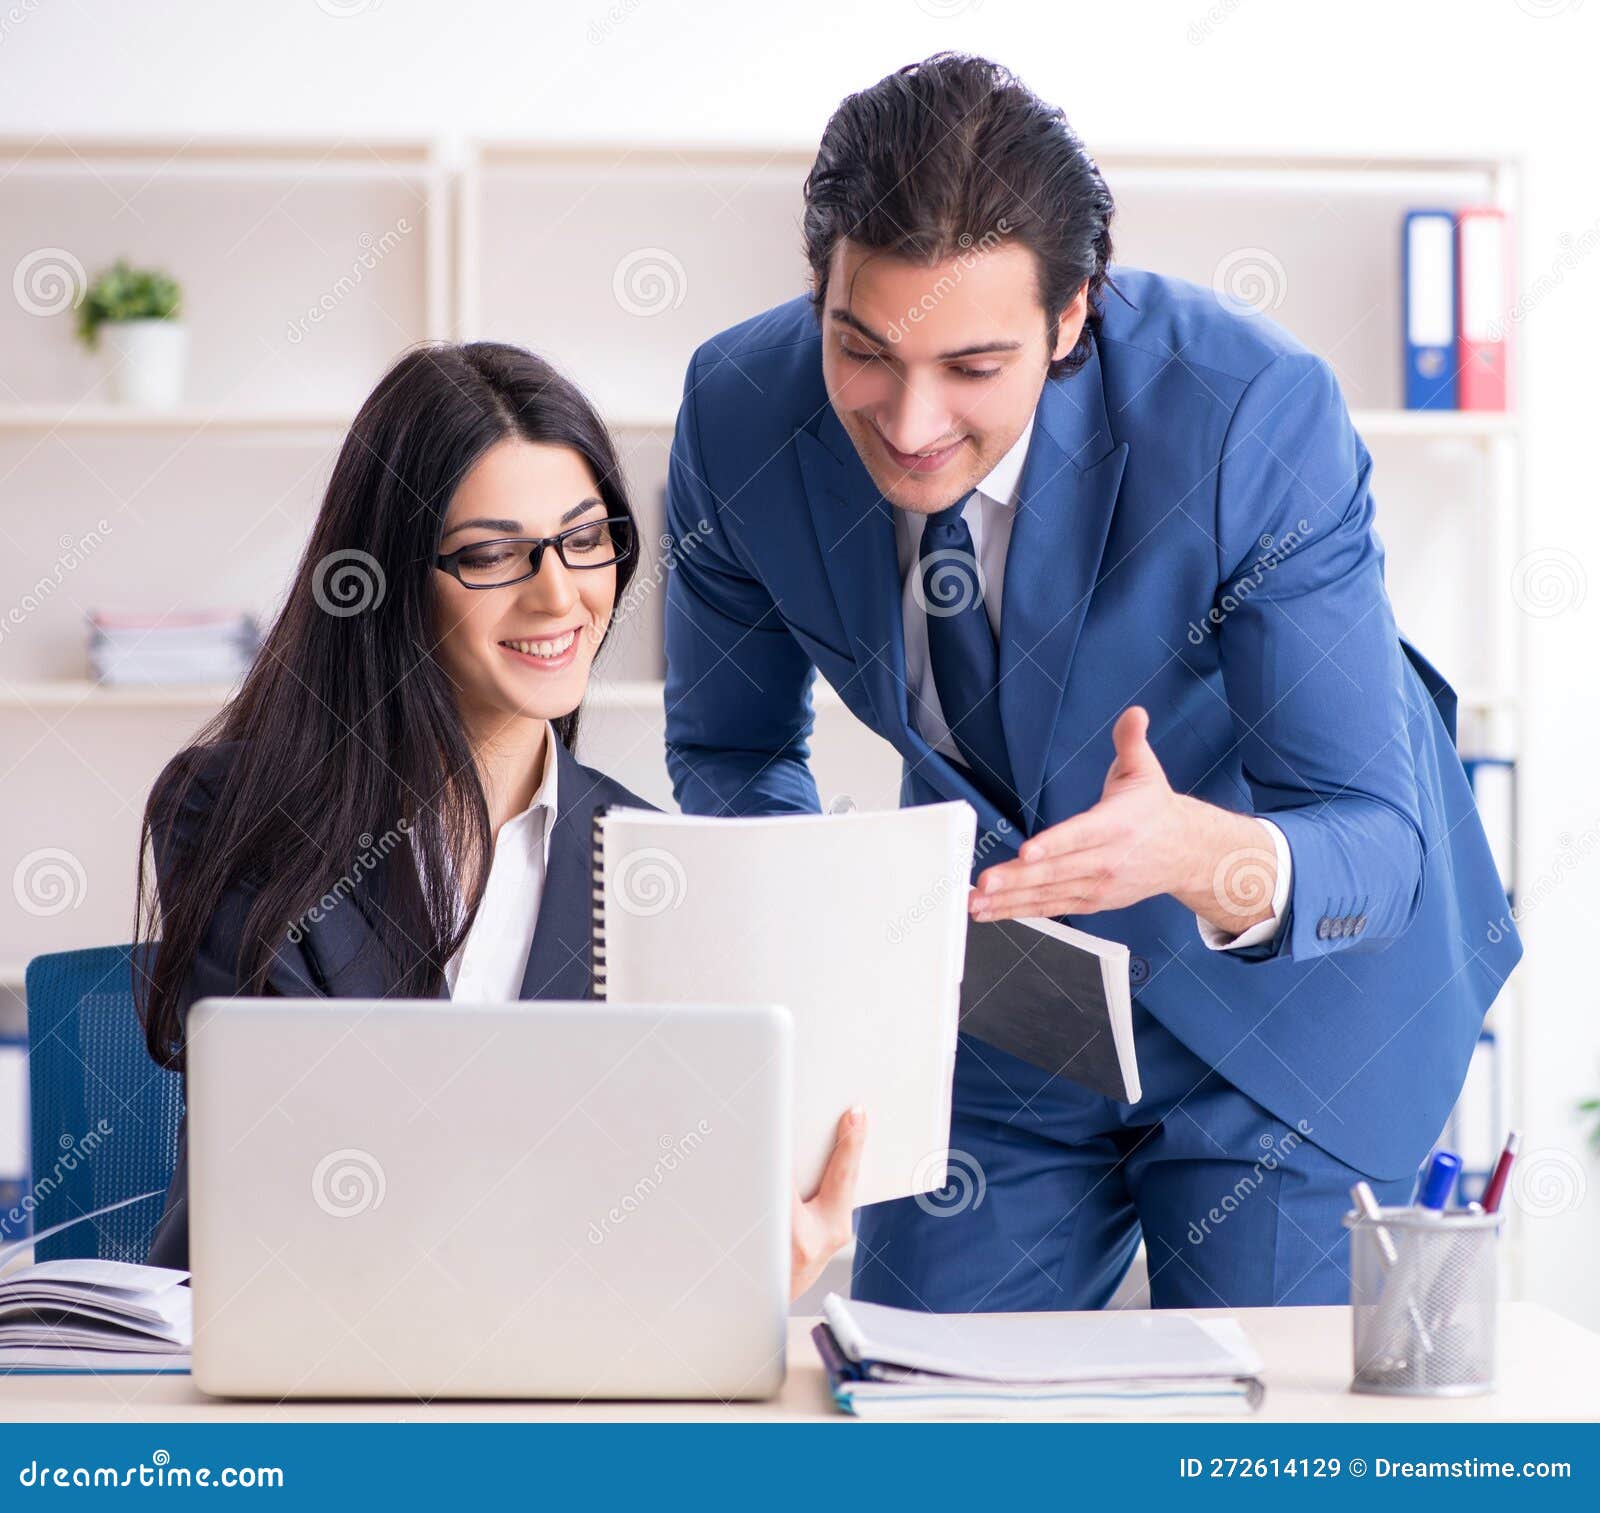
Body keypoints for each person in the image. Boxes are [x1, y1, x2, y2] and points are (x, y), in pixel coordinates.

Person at [661, 54, 1521, 1310]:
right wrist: (838, 946)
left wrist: (1191, 852)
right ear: (820, 294)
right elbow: (731, 756)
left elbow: (1375, 841)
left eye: (970, 368)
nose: (906, 423)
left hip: (1291, 1016)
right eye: (862, 350)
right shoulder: (738, 413)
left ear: (1072, 319)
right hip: (1011, 1002)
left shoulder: (1246, 416)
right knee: (917, 1400)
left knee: (1246, 1435)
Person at [136, 341, 863, 1296]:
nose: (558, 593)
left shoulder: (659, 865)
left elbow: (665, 1200)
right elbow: (316, 1197)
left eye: (586, 538)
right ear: (392, 577)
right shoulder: (233, 812)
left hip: (562, 1383)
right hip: (298, 1379)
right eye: (490, 554)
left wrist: (744, 1255)